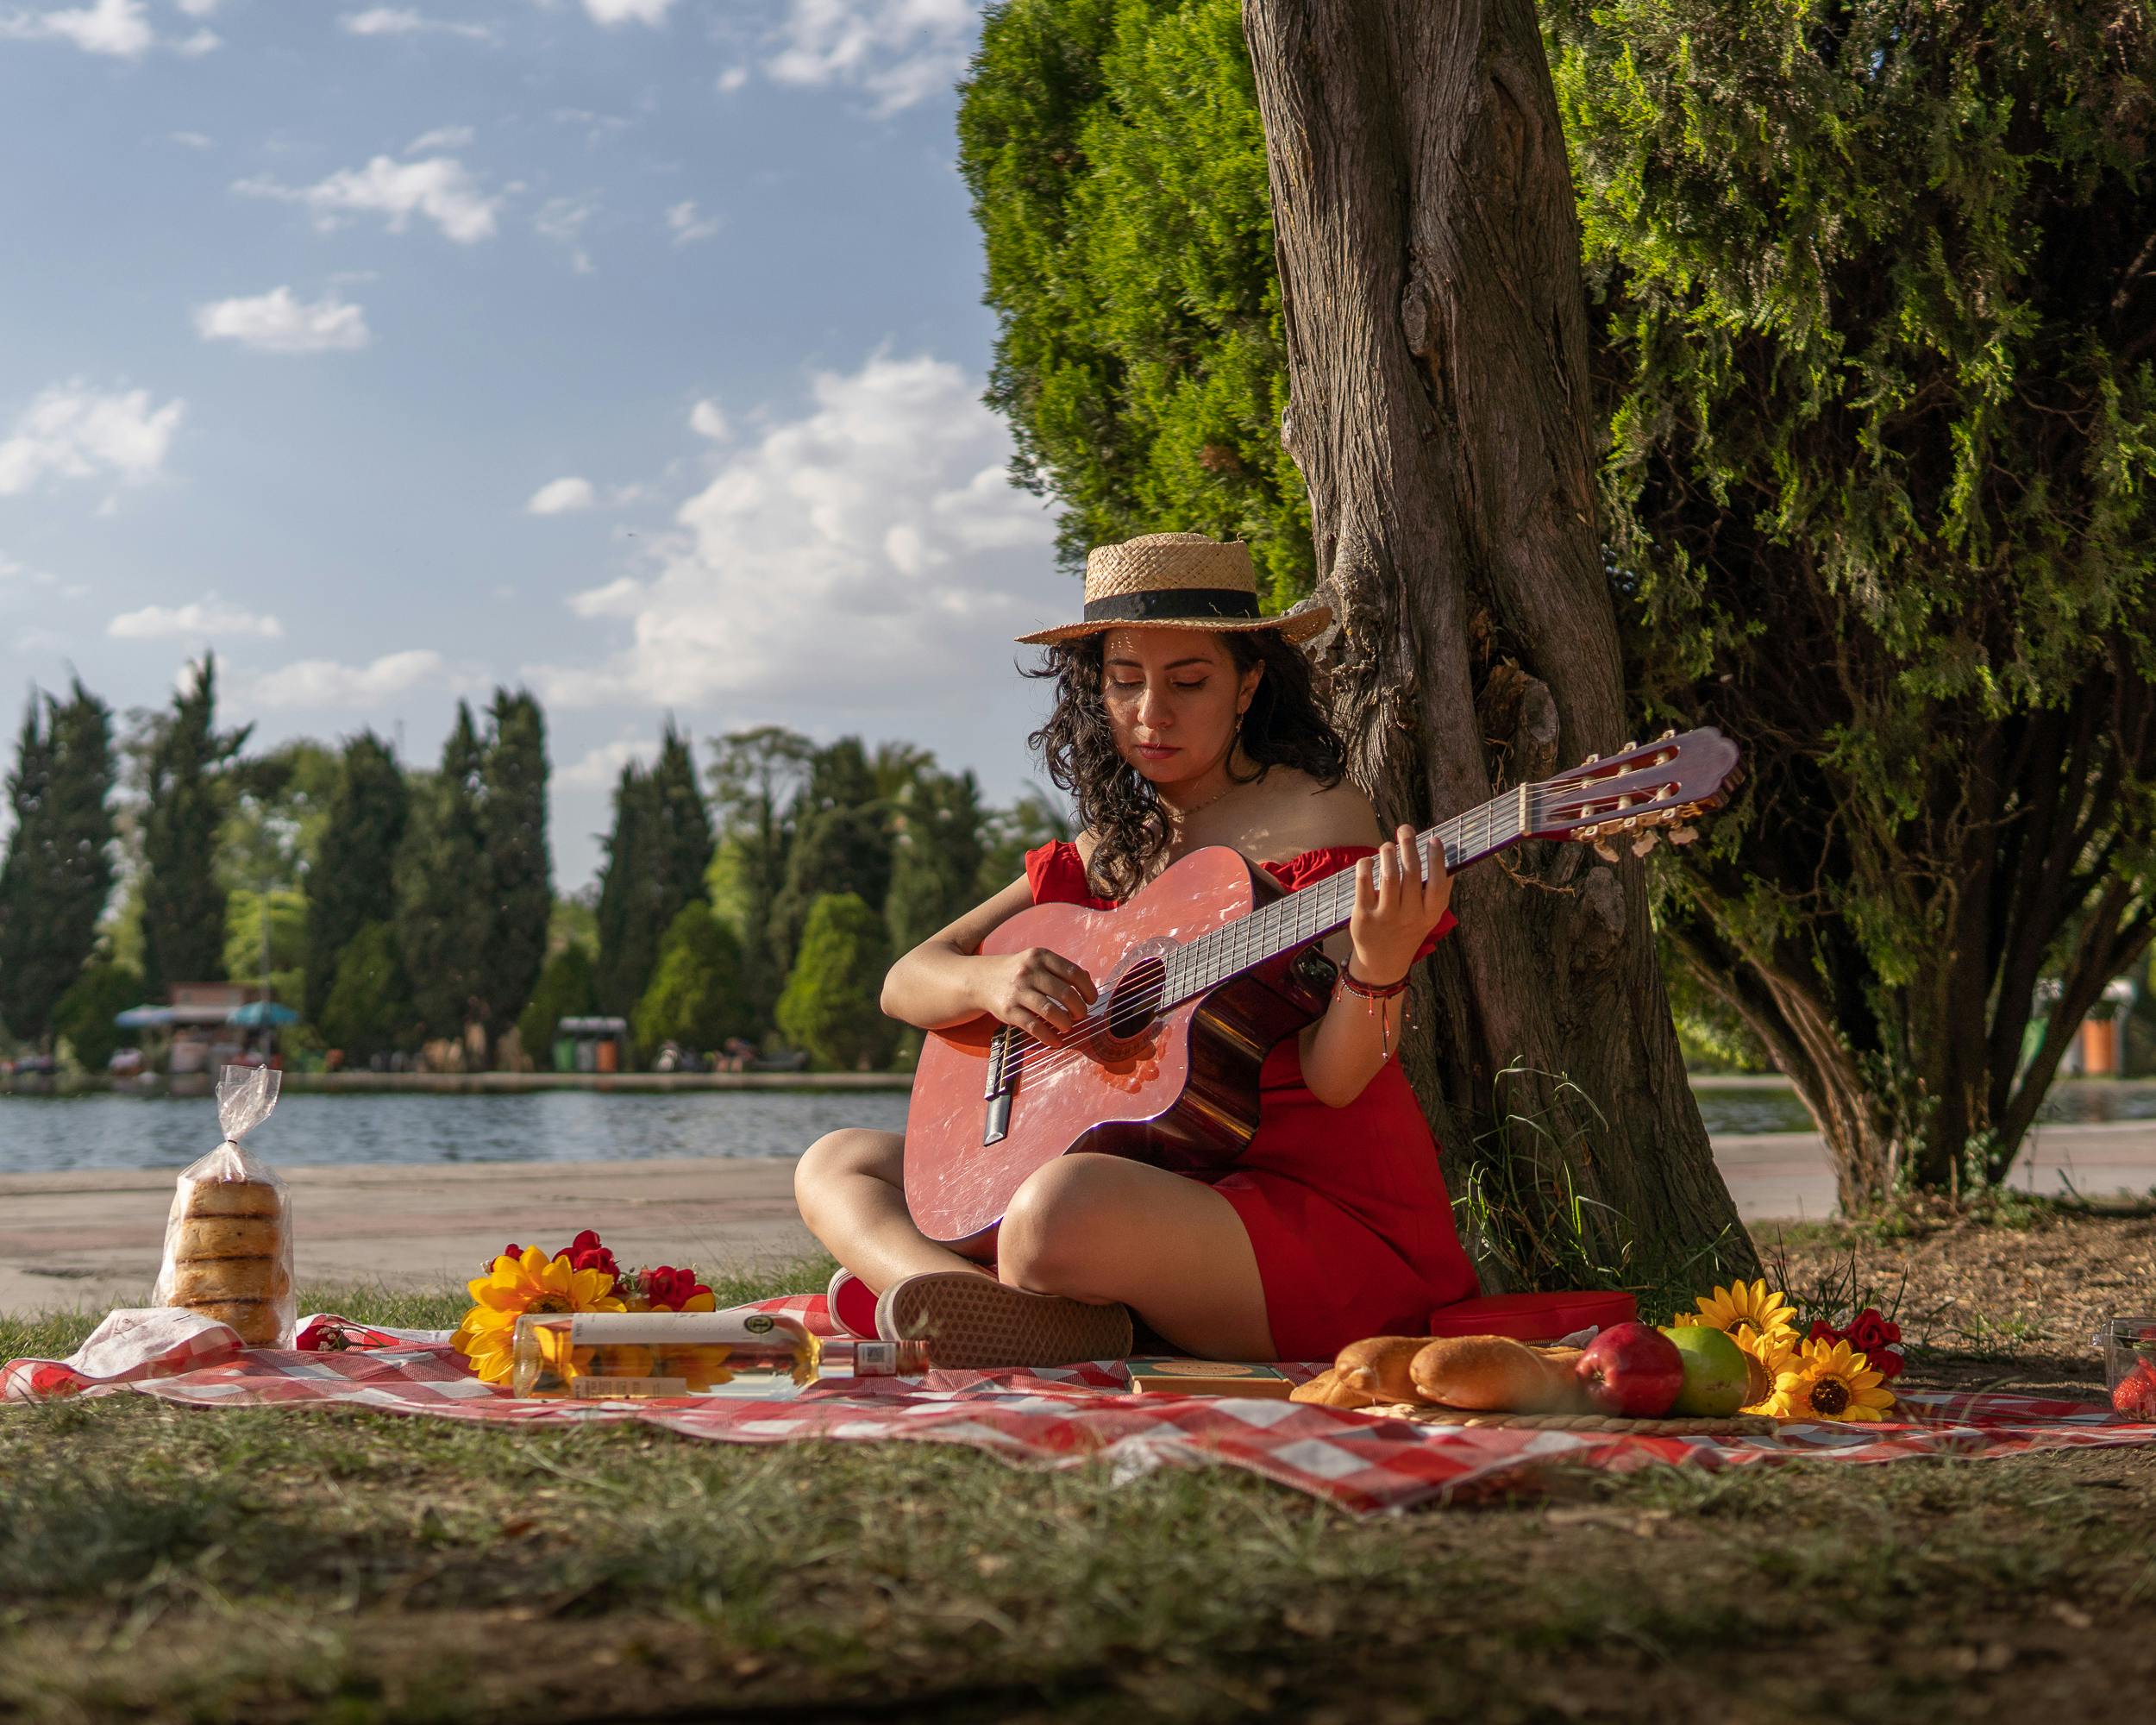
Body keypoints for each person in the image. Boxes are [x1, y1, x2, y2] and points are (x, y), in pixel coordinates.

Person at [793, 531, 1477, 1365]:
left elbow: (1337, 1080)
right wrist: (993, 979)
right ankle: (973, 1307)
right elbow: (906, 982)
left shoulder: (1315, 818)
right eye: (1125, 683)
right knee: (838, 1162)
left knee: (1052, 1212)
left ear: (1248, 683)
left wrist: (1379, 966)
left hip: (1294, 1213)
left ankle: (966, 1304)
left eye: (1188, 682)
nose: (1153, 713)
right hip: (1137, 1174)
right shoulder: (1113, 845)